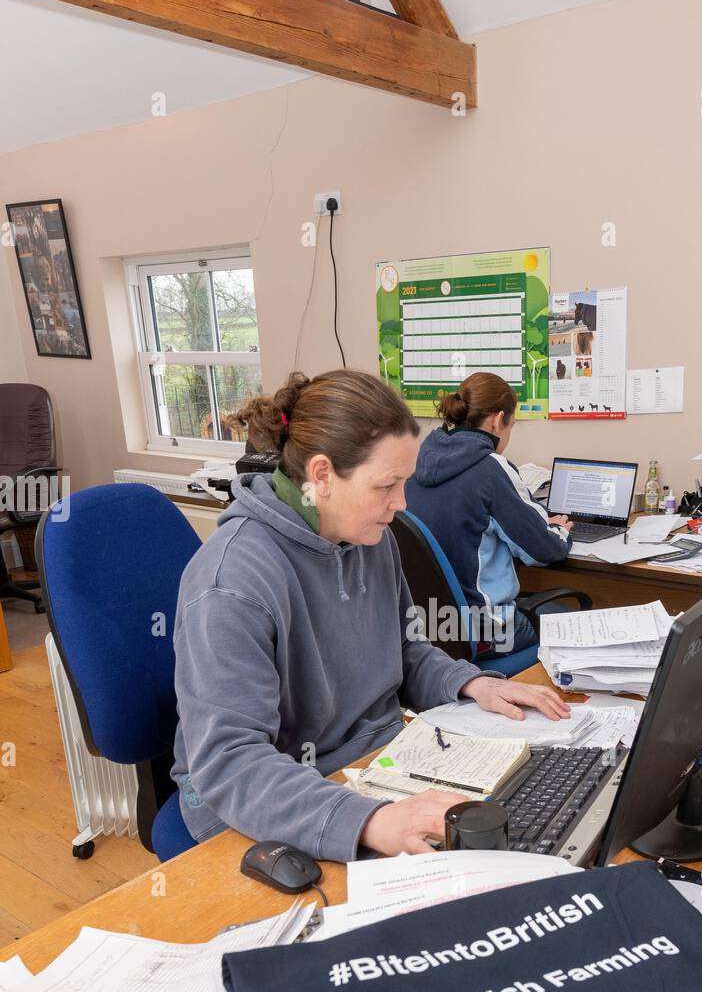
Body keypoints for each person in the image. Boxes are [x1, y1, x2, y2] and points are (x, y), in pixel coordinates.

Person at [170, 368, 569, 861]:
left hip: (378, 764)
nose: (401, 504)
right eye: (387, 486)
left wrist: (472, 684)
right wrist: (367, 819)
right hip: (273, 797)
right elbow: (229, 763)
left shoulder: (368, 539)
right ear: (321, 476)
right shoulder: (231, 580)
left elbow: (403, 650)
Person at [404, 372, 573, 655]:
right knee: (573, 620)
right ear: (497, 420)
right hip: (488, 633)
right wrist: (560, 530)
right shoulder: (490, 468)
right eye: (511, 426)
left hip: (427, 627)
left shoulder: (418, 462)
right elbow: (544, 551)